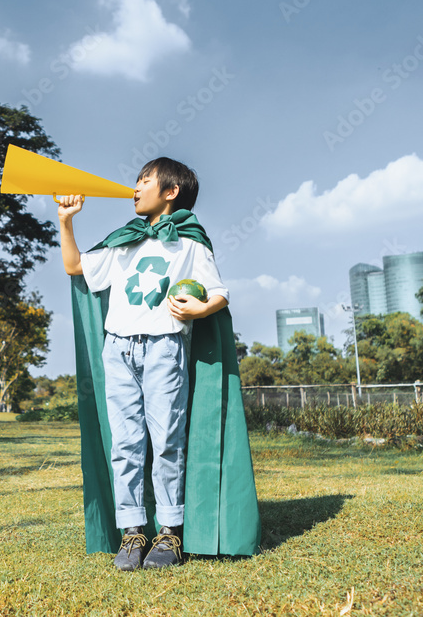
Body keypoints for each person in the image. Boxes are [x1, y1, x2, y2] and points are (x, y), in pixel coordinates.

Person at [59, 157, 261, 571]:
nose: (134, 188)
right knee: (126, 443)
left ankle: (170, 532)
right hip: (117, 348)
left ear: (170, 192)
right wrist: (66, 220)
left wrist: (199, 308)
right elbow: (75, 267)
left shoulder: (189, 242)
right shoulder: (126, 240)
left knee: (167, 439)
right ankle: (132, 531)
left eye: (144, 180)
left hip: (165, 348)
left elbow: (219, 293)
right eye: (136, 181)